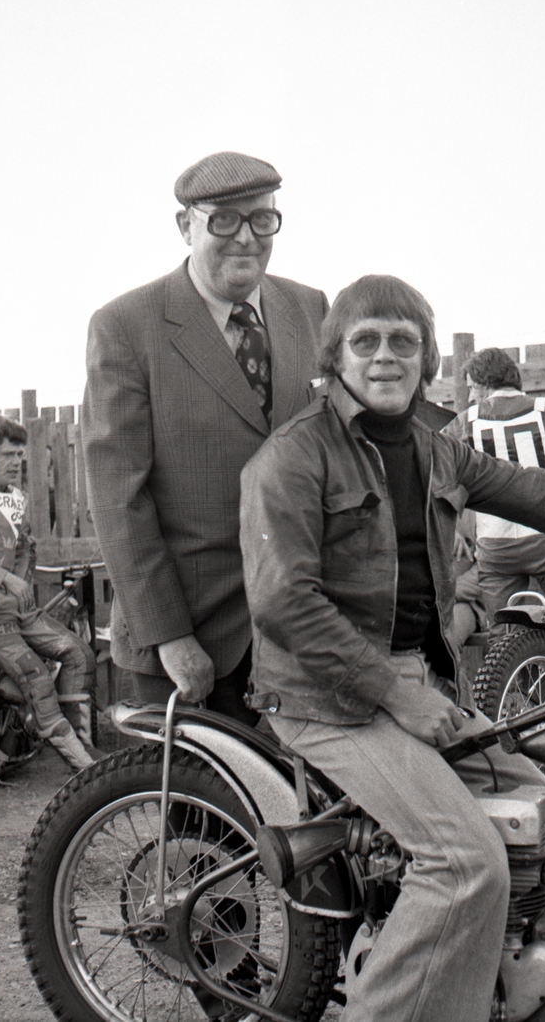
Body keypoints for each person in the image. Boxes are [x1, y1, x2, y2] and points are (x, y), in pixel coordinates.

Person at [239, 275, 545, 1022]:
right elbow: (283, 603)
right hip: (326, 697)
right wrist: (399, 694)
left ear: (428, 358)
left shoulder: (439, 453)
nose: (384, 357)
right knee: (466, 861)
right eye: (365, 341)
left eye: (403, 341)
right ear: (334, 355)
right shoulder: (294, 456)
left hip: (417, 683)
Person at [84, 151, 326, 723]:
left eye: (261, 219)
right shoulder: (125, 327)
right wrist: (170, 636)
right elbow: (119, 499)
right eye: (223, 220)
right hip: (192, 646)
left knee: (303, 810)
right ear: (184, 225)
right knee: (200, 812)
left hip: (301, 637)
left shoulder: (311, 309)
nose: (246, 237)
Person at [0, 416, 96, 772]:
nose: (16, 462)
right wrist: (5, 581)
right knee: (38, 678)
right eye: (8, 454)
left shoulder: (17, 497)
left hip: (14, 610)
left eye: (20, 454)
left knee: (78, 654)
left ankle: (83, 745)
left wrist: (19, 581)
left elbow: (25, 547)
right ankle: (81, 765)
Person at [444, 347, 545, 620]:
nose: (469, 397)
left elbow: (436, 478)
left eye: (471, 388)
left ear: (484, 384)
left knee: (502, 636)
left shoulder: (462, 425)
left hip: (495, 546)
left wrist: (452, 528)